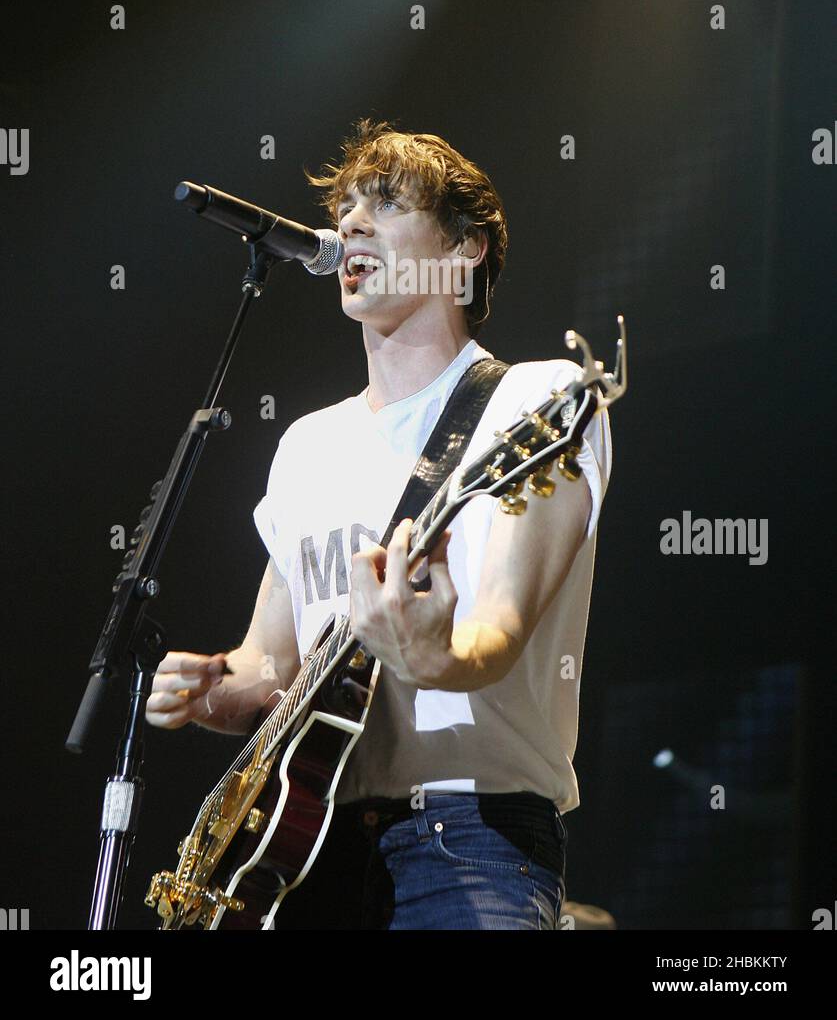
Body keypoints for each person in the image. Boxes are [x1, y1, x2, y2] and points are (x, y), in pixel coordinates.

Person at [146, 119, 613, 930]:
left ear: (464, 250)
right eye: (346, 208)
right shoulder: (307, 444)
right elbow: (272, 661)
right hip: (304, 845)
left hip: (468, 835)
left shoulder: (536, 401)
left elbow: (495, 633)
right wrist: (215, 687)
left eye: (387, 205)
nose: (350, 224)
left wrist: (435, 650)